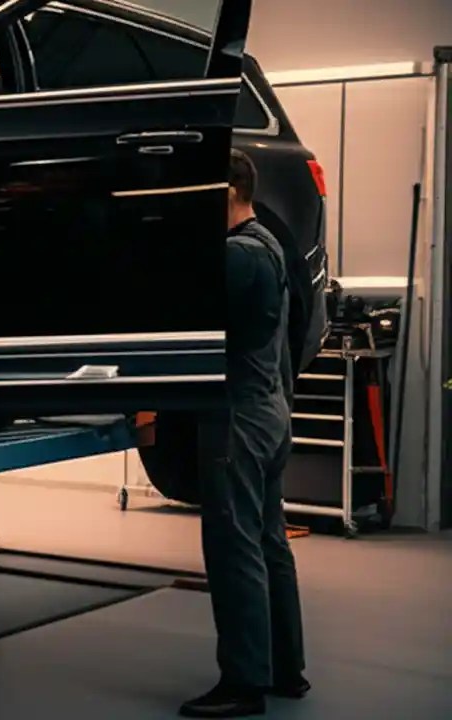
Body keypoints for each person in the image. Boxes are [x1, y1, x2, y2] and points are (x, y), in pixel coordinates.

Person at [180, 150, 310, 718]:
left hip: (238, 419)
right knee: (269, 543)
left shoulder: (237, 256)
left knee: (235, 550)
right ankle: (286, 670)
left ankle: (243, 683)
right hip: (270, 410)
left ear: (229, 190)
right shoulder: (271, 245)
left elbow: (189, 323)